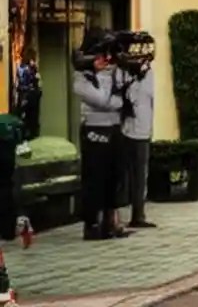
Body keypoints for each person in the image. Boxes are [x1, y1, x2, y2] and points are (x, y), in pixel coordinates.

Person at [72, 32, 128, 241]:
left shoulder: (114, 73)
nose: (106, 60)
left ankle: (110, 221)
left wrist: (114, 94)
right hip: (93, 130)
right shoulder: (81, 77)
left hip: (113, 128)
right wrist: (103, 77)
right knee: (95, 178)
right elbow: (103, 100)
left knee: (114, 177)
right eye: (101, 54)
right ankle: (91, 223)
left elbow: (122, 101)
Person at [120, 59, 157, 229]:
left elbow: (150, 99)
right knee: (134, 175)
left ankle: (138, 213)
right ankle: (131, 213)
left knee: (140, 175)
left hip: (140, 130)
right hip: (129, 130)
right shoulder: (125, 75)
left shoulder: (147, 74)